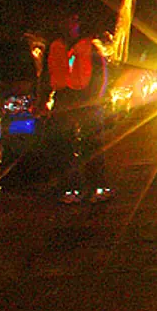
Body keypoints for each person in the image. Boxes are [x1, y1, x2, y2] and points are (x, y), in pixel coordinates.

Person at [40, 11, 112, 204]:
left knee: (92, 145)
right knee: (64, 146)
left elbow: (101, 75)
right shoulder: (54, 47)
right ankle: (71, 188)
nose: (68, 25)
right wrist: (43, 100)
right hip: (64, 98)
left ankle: (98, 187)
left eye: (72, 21)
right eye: (65, 21)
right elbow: (46, 76)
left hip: (87, 99)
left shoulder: (90, 46)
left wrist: (98, 99)